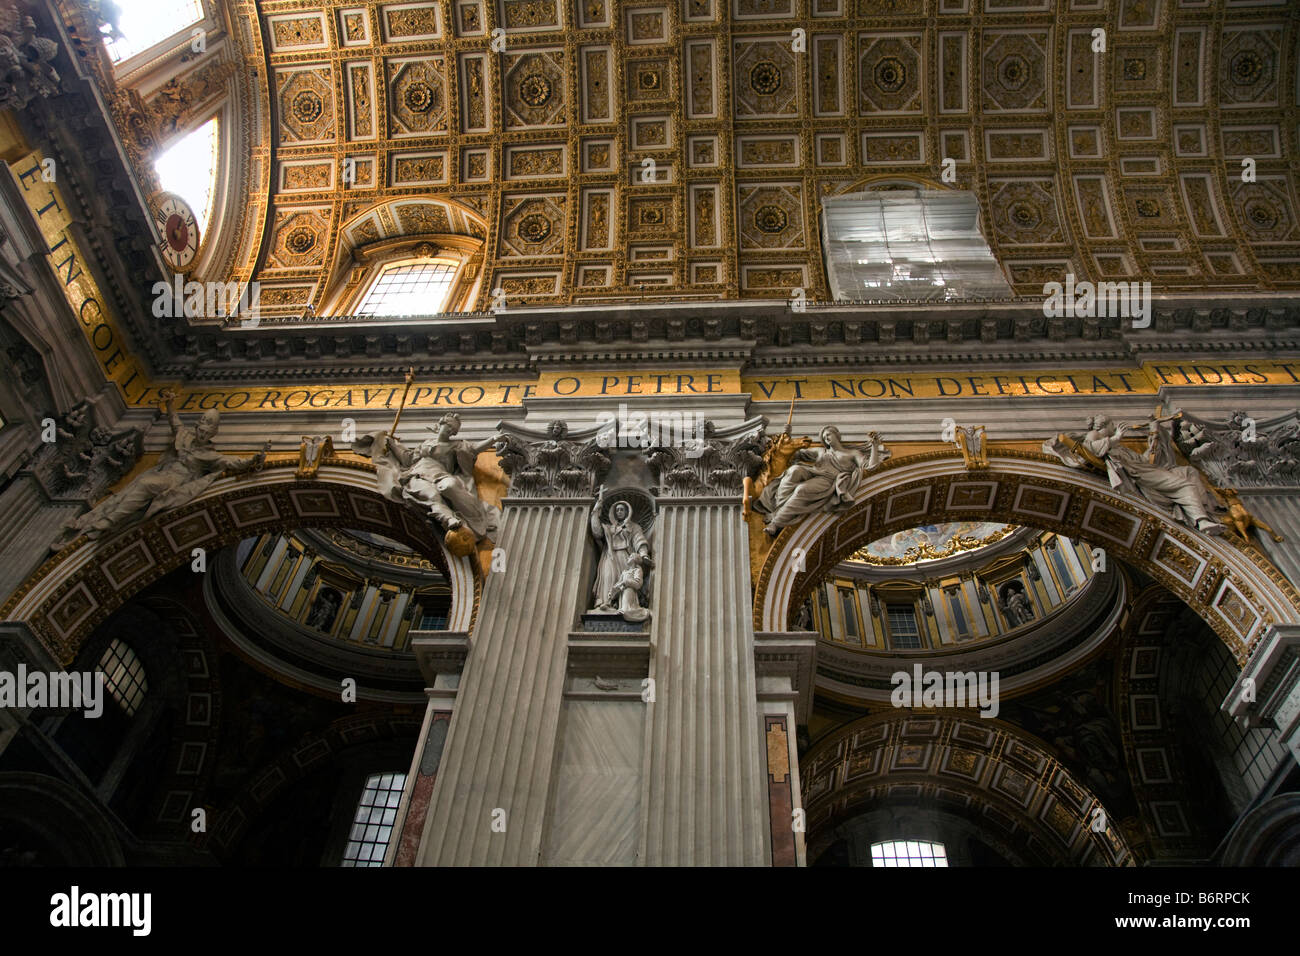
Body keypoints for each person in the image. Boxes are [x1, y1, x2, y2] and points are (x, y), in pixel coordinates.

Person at [52, 395, 267, 550]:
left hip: (177, 481)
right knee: (130, 490)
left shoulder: (210, 455)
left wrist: (254, 459)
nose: (202, 430)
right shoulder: (184, 436)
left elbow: (233, 462)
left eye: (207, 429)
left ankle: (108, 522)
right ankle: (97, 520)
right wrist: (170, 404)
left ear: (213, 433)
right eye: (201, 425)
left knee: (146, 486)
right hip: (162, 472)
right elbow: (175, 423)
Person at [1044, 414, 1223, 534]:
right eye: (1113, 425)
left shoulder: (1120, 449)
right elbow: (1091, 449)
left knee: (1188, 471)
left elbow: (1144, 461)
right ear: (1105, 426)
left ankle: (1206, 509)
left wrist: (1153, 439)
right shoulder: (1095, 436)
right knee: (1185, 485)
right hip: (1140, 474)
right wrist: (1117, 437)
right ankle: (1201, 520)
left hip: (1146, 470)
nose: (1115, 427)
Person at [753, 426, 889, 534]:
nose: (827, 438)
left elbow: (871, 467)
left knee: (802, 490)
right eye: (824, 437)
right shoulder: (820, 452)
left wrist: (875, 447)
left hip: (829, 479)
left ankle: (776, 522)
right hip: (814, 473)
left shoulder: (851, 454)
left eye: (829, 435)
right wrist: (785, 437)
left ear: (837, 435)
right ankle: (778, 507)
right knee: (794, 470)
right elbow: (794, 452)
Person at [590, 488, 652, 621]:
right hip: (609, 556)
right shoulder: (609, 528)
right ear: (614, 512)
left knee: (624, 582)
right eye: (617, 510)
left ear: (627, 511)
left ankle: (621, 606)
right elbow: (596, 532)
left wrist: (643, 554)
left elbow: (639, 540)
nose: (619, 512)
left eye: (621, 509)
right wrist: (597, 508)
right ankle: (606, 603)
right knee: (608, 577)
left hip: (626, 556)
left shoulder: (634, 527)